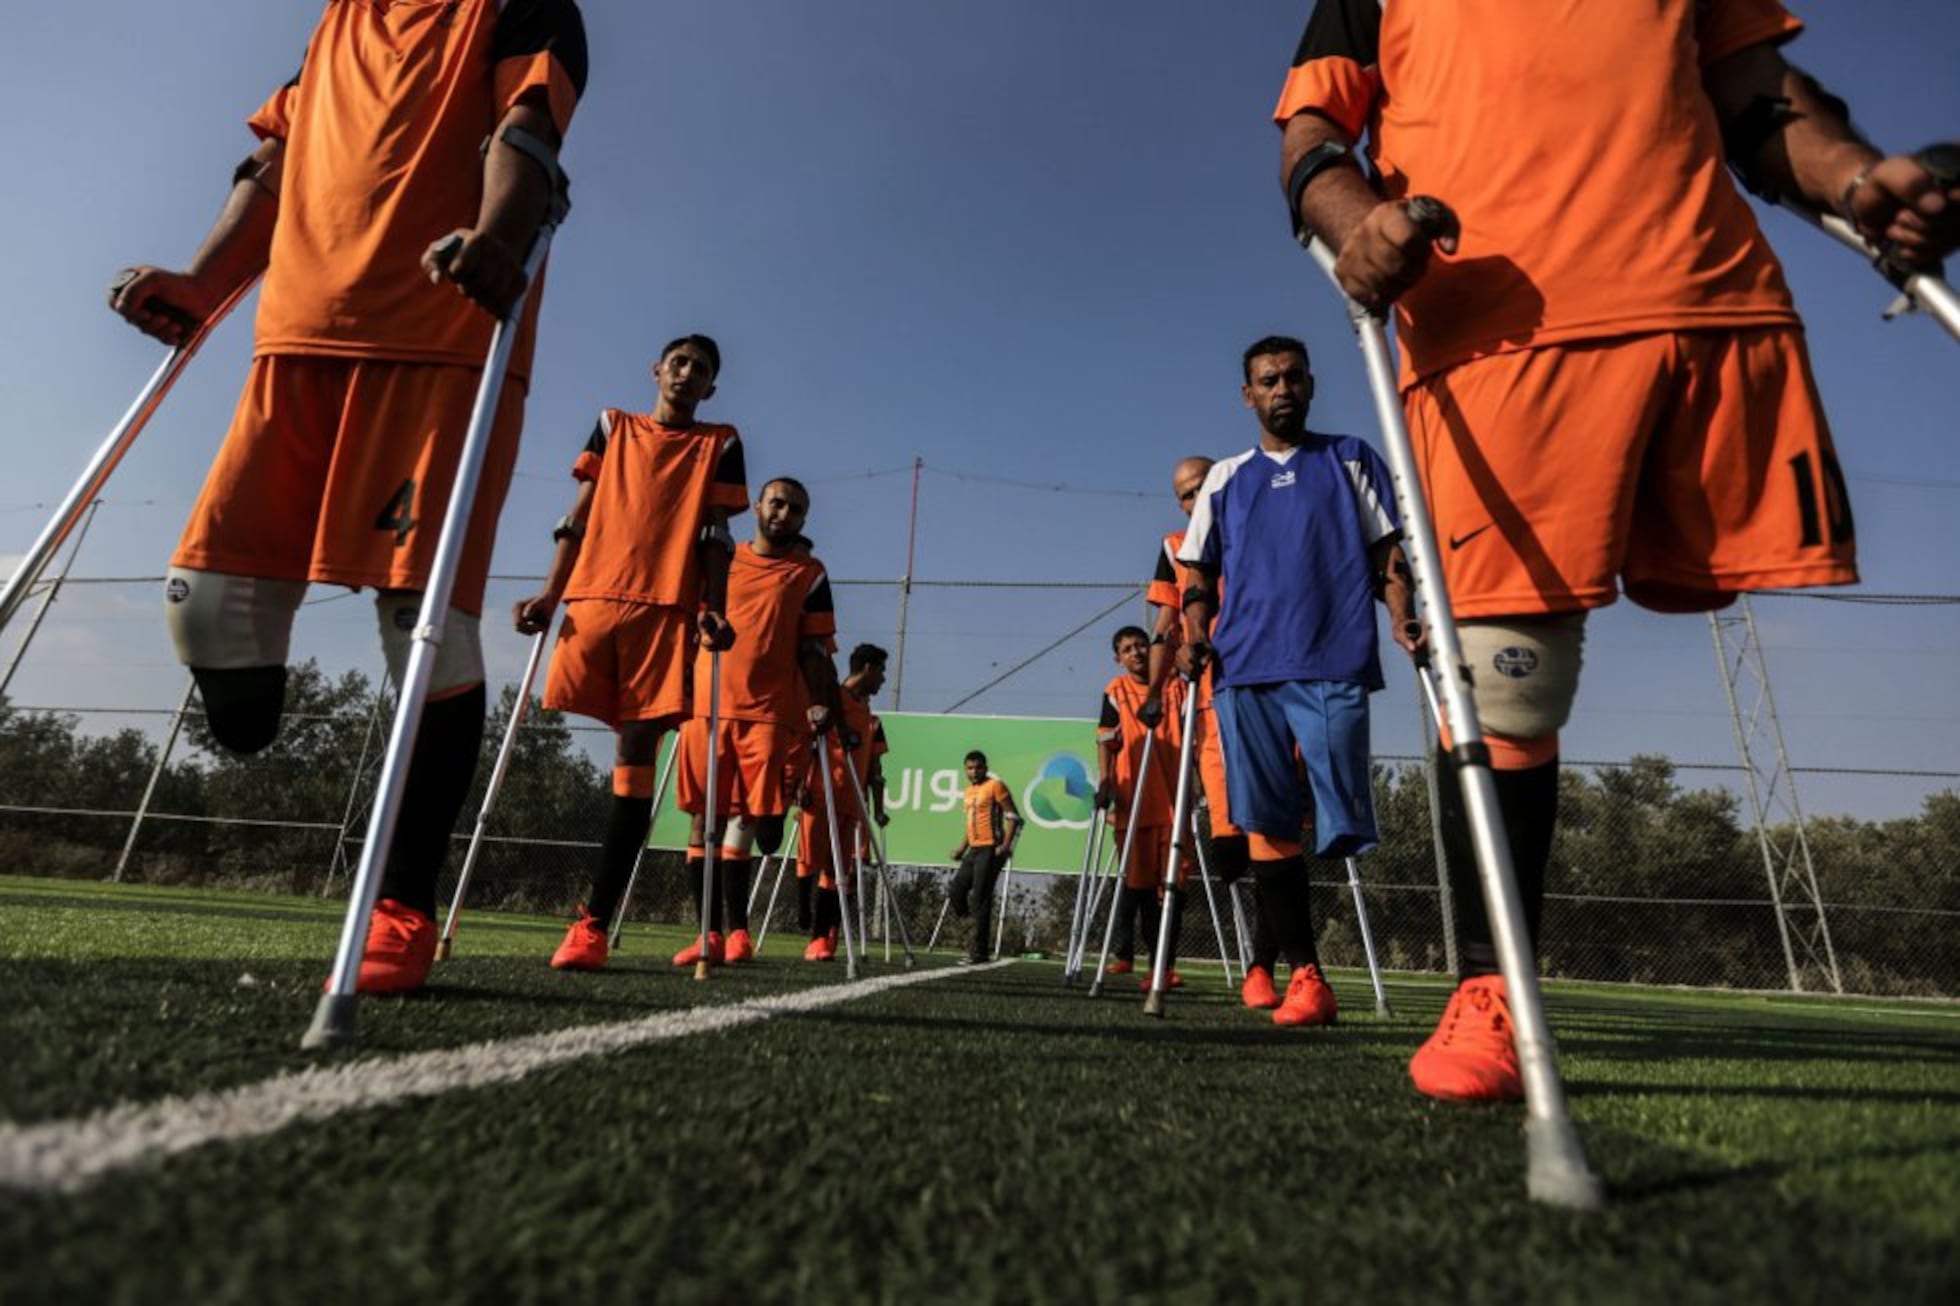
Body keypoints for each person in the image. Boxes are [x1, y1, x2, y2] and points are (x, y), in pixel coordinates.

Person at [1275, 0, 1958, 1098]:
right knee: (1504, 676)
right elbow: (1311, 140)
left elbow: (1759, 98)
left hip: (1705, 305)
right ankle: (1494, 989)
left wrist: (1857, 181)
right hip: (1492, 334)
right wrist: (1355, 220)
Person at [109, 1, 587, 993]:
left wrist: (497, 235)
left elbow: (528, 132)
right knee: (207, 612)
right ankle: (269, 735)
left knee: (423, 625)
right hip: (293, 335)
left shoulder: (524, 5)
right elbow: (276, 161)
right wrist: (201, 283)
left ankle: (402, 904)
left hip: (442, 333)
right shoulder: (336, 24)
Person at [1178, 336, 1420, 1027]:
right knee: (1268, 826)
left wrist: (1403, 618)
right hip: (1244, 668)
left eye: (1292, 377)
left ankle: (1276, 962)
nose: (1281, 389)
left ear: (1310, 385)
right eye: (1267, 380)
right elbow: (1198, 574)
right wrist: (1196, 636)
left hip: (1331, 660)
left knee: (1336, 820)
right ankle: (1307, 977)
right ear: (1247, 395)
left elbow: (1387, 553)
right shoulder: (1224, 478)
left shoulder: (1348, 458)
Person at [514, 335, 747, 971]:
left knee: (634, 755)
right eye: (680, 363)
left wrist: (712, 607)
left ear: (711, 387)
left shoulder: (720, 442)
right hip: (591, 599)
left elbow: (717, 537)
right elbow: (578, 515)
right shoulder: (612, 425)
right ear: (657, 369)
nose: (688, 373)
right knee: (550, 732)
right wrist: (547, 593)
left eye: (701, 369)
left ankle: (591, 924)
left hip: (665, 608)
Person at [670, 477, 839, 968]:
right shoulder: (721, 561)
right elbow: (692, 619)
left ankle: (739, 931)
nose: (784, 514)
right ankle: (708, 934)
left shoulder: (810, 573)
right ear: (759, 507)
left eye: (796, 509)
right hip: (708, 703)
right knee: (704, 820)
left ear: (804, 520)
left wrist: (820, 701)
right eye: (778, 503)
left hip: (767, 712)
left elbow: (812, 647)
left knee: (745, 819)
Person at [1143, 456, 1276, 1007]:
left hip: (1269, 685)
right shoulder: (1175, 546)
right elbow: (1164, 626)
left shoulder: (1258, 527)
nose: (1195, 500)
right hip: (1211, 699)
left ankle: (1266, 964)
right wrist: (1154, 691)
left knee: (1276, 829)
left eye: (1202, 488)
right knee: (1229, 848)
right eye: (1185, 494)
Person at [1096, 626, 1190, 988]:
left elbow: (1193, 733)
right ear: (1118, 658)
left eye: (1140, 647)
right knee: (1139, 886)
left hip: (1172, 802)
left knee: (1173, 886)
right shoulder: (1115, 691)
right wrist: (1106, 784)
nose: (1135, 653)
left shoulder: (1176, 687)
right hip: (1133, 803)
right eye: (1127, 649)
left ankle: (1162, 967)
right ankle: (1132, 957)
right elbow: (1105, 740)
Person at [796, 644, 891, 960]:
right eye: (881, 671)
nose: (883, 679)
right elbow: (807, 739)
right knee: (810, 860)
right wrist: (799, 782)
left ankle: (820, 938)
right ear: (867, 668)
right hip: (823, 791)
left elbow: (875, 768)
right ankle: (804, 914)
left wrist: (876, 806)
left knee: (837, 871)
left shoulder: (871, 716)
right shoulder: (832, 698)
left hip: (851, 800)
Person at [947, 751, 1022, 965]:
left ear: (985, 767)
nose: (974, 771)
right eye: (970, 768)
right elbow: (971, 824)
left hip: (991, 849)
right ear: (965, 770)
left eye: (978, 767)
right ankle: (974, 927)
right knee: (956, 891)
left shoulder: (995, 786)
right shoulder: (968, 791)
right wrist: (961, 849)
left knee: (980, 898)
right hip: (974, 850)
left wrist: (1005, 846)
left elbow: (1014, 816)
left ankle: (980, 952)